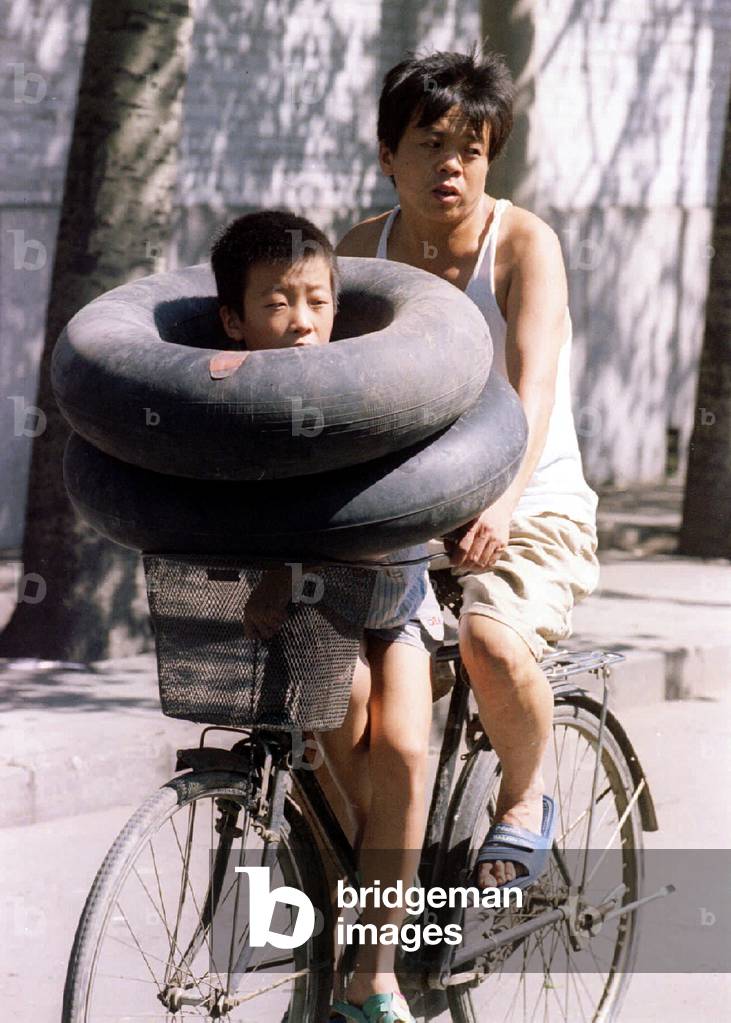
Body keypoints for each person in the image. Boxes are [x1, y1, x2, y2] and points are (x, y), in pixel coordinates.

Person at [337, 48, 600, 895]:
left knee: (489, 639)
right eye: (430, 144)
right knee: (335, 687)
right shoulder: (361, 251)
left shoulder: (521, 243)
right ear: (388, 155)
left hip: (528, 497)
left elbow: (532, 386)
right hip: (406, 512)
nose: (451, 165)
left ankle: (525, 794)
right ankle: (384, 872)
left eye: (471, 149)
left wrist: (501, 501)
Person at [210, 209, 443, 1023]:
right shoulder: (222, 397)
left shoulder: (364, 383)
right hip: (320, 611)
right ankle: (378, 884)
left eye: (317, 300)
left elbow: (373, 511)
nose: (302, 321)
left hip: (392, 591)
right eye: (277, 303)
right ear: (233, 319)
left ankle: (374, 976)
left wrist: (288, 571)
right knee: (342, 708)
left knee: (403, 748)